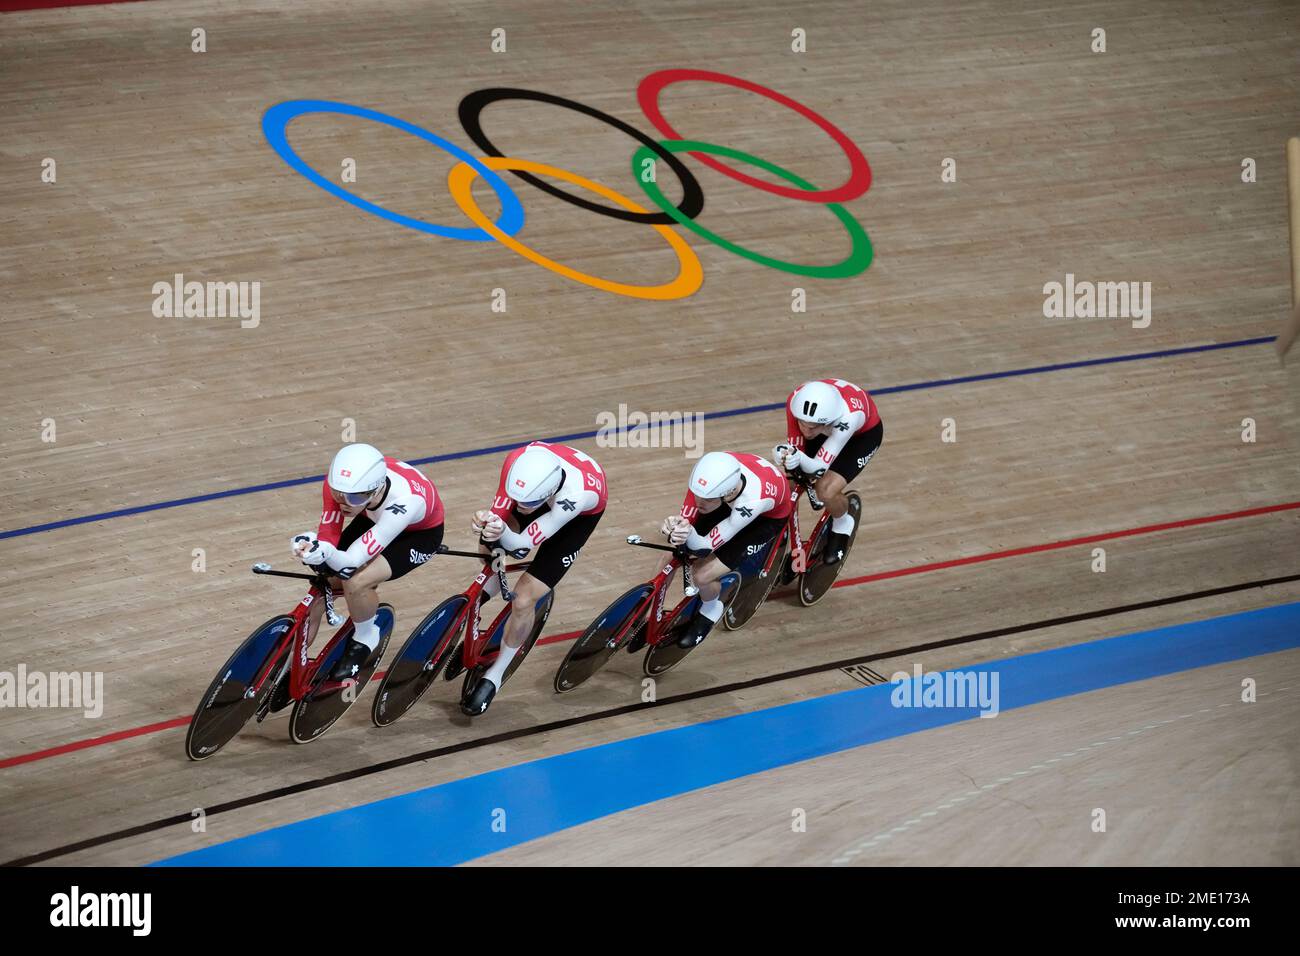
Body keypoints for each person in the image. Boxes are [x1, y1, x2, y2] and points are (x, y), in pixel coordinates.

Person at [465, 441, 607, 716]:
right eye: (519, 500)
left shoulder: (577, 495)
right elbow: (503, 517)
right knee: (489, 547)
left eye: (528, 503)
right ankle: (484, 591)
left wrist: (504, 530)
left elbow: (521, 546)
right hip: (537, 485)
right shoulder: (517, 462)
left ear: (550, 492)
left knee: (523, 599)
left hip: (577, 516)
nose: (522, 507)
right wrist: (488, 522)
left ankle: (495, 674)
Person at [290, 442, 444, 683]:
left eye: (351, 497)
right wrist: (312, 548)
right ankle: (286, 665)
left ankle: (366, 636)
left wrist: (327, 554)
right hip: (372, 516)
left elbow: (351, 561)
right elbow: (329, 535)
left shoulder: (405, 501)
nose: (342, 501)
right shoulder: (344, 485)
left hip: (417, 534)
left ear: (375, 490)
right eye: (338, 493)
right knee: (324, 582)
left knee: (356, 580)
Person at [658, 451, 792, 650]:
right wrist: (676, 525)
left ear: (728, 493)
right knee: (671, 554)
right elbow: (689, 516)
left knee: (702, 575)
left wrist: (689, 535)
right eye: (697, 494)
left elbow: (705, 547)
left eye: (706, 499)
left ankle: (712, 608)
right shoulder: (709, 477)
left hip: (766, 517)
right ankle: (648, 607)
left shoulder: (751, 501)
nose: (698, 502)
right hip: (726, 497)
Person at [772, 378, 882, 564]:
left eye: (811, 427)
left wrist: (802, 462)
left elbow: (819, 466)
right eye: (802, 424)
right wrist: (784, 454)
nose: (806, 431)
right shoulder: (795, 401)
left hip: (860, 437)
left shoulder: (849, 416)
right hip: (823, 431)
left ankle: (843, 523)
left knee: (825, 490)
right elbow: (796, 445)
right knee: (787, 484)